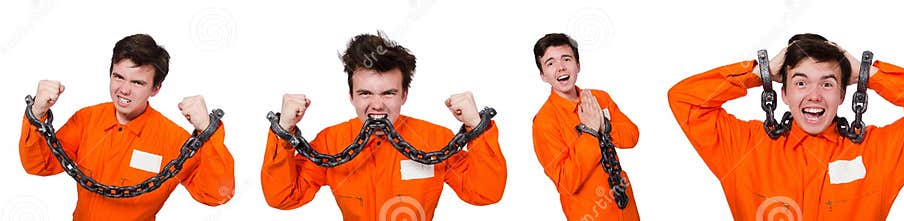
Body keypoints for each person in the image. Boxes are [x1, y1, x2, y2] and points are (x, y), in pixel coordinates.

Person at [668, 33, 904, 220]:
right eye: (801, 82)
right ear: (784, 93)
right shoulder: (742, 148)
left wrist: (868, 74)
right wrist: (759, 73)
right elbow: (684, 99)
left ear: (843, 95)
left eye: (827, 83)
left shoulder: (878, 153)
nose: (814, 95)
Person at [260, 32, 507, 220]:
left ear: (404, 95)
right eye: (365, 93)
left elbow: (485, 193)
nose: (377, 105)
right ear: (351, 96)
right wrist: (284, 131)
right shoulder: (331, 142)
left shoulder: (435, 139)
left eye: (388, 93)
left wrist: (476, 127)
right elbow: (283, 197)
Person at [19, 34, 235, 221]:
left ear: (156, 88)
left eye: (137, 83)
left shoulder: (174, 140)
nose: (124, 90)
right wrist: (37, 113)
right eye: (118, 77)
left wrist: (207, 130)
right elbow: (39, 165)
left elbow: (217, 194)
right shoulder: (86, 120)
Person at [531, 33, 640, 220]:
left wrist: (604, 126)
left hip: (625, 209)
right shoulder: (544, 121)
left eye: (566, 59)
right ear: (543, 76)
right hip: (589, 214)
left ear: (578, 65)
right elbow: (566, 182)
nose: (561, 67)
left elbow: (632, 136)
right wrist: (590, 132)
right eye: (550, 63)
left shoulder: (600, 98)